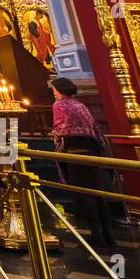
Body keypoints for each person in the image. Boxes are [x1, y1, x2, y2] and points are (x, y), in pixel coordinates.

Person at [50, 77, 115, 247]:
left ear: (58, 90)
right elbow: (94, 128)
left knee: (84, 194)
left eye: (54, 89)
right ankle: (107, 233)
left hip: (74, 153)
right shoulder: (80, 105)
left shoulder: (60, 105)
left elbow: (60, 129)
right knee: (96, 193)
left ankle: (96, 233)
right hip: (91, 152)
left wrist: (56, 138)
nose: (54, 92)